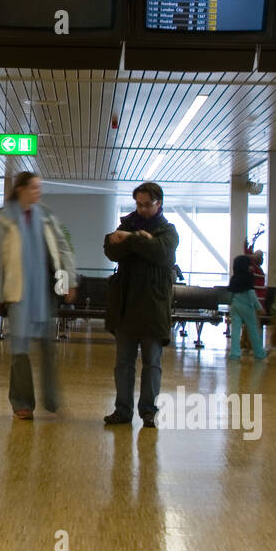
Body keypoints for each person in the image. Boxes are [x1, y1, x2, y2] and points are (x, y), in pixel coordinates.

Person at [0, 172, 78, 420]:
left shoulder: (45, 216)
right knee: (20, 350)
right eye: (35, 188)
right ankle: (22, 403)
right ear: (21, 190)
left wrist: (70, 281)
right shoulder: (8, 221)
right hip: (18, 295)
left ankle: (53, 401)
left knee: (48, 348)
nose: (39, 192)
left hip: (44, 293)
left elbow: (62, 249)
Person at [103, 182, 180, 427]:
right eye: (138, 204)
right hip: (126, 307)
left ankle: (148, 411)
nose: (142, 209)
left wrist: (129, 240)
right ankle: (122, 411)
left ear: (159, 204)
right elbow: (111, 249)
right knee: (123, 364)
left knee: (152, 363)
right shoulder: (126, 225)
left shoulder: (169, 232)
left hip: (154, 308)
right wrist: (138, 238)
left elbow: (160, 253)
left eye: (147, 204)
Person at [228, 251, 268, 361]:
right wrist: (259, 308)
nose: (251, 266)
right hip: (247, 307)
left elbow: (230, 293)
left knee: (235, 331)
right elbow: (251, 294)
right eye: (249, 264)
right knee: (253, 329)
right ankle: (259, 353)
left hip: (235, 305)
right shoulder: (248, 277)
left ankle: (234, 354)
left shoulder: (234, 278)